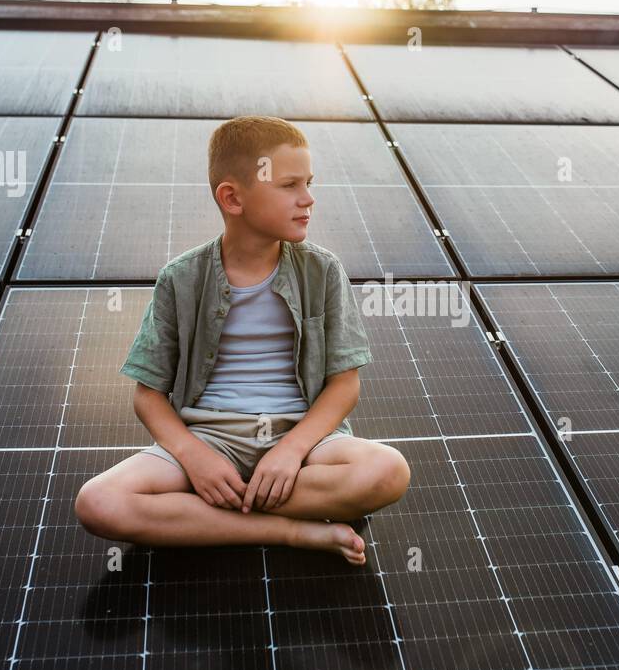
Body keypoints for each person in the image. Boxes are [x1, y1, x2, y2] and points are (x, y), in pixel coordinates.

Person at [75, 115, 410, 565]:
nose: (308, 199)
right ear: (232, 198)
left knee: (388, 472)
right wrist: (194, 457)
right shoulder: (181, 279)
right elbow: (148, 396)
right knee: (98, 503)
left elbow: (344, 384)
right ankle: (291, 531)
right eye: (289, 185)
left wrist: (292, 450)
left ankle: (209, 517)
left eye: (309, 183)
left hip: (304, 440)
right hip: (209, 439)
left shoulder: (322, 271)